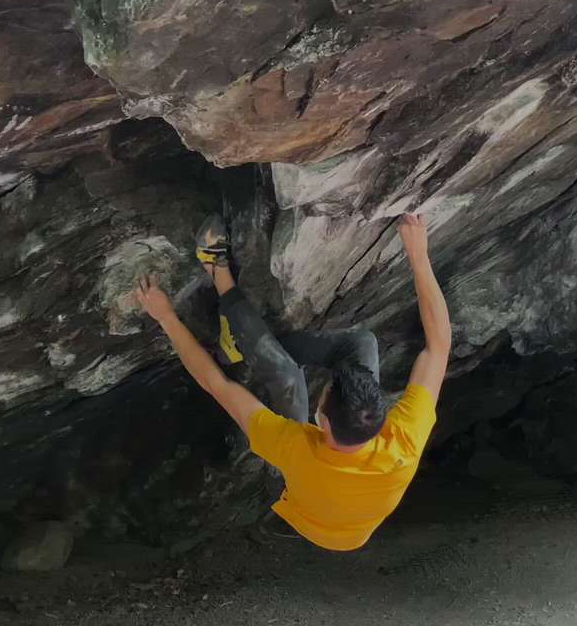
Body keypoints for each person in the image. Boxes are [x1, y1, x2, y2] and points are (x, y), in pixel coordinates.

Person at [134, 213, 452, 551]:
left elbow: (217, 385)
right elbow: (439, 347)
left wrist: (166, 317)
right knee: (362, 345)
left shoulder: (296, 450)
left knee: (287, 376)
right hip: (353, 515)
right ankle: (243, 339)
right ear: (382, 417)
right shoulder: (403, 440)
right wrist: (418, 255)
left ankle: (218, 271)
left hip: (311, 509)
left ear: (322, 421)